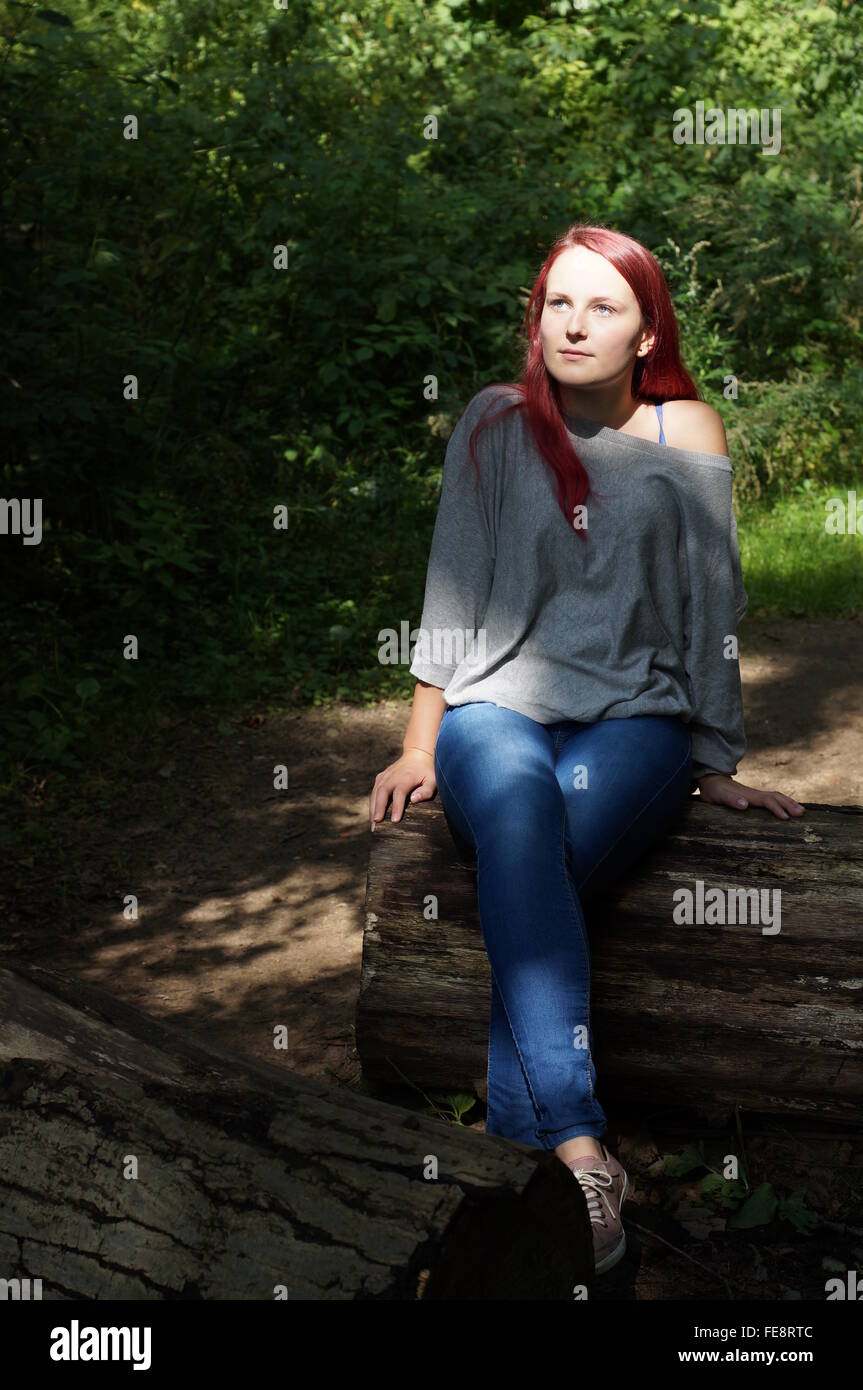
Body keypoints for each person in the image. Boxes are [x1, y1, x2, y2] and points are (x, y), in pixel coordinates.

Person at [367, 222, 804, 1277]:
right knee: (520, 816)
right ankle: (576, 1143)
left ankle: (523, 1162)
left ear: (644, 328)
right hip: (492, 712)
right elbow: (451, 583)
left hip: (635, 722)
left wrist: (715, 757)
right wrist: (419, 737)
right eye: (557, 302)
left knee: (535, 856)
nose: (573, 323)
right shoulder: (492, 422)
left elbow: (711, 610)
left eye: (601, 306)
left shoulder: (683, 432)